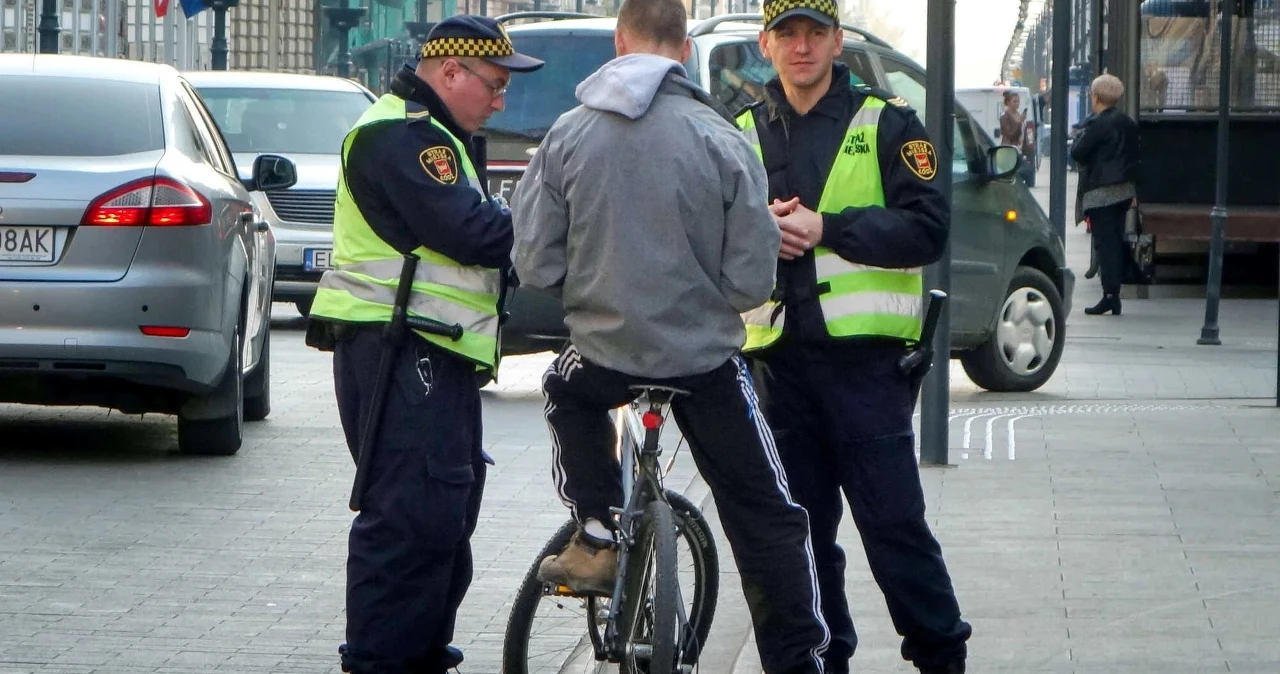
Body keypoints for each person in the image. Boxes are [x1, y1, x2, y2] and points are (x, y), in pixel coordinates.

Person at [509, 0, 832, 671]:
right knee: (768, 515)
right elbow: (750, 279)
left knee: (566, 391)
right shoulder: (720, 138)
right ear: (684, 51)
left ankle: (595, 529)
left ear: (619, 44)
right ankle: (798, 659)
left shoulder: (567, 135)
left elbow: (535, 262)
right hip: (701, 363)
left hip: (604, 355)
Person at [734, 0, 972, 672]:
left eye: (815, 34)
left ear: (838, 41)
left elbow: (928, 227)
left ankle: (940, 657)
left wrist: (827, 227)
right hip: (777, 370)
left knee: (895, 528)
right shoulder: (740, 132)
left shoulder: (889, 121)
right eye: (788, 35)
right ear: (767, 44)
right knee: (800, 541)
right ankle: (821, 660)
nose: (801, 47)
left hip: (867, 370)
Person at [304, 16, 543, 674]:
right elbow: (473, 232)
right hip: (403, 352)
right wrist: (550, 222)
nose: (501, 99)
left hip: (431, 353)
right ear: (449, 73)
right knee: (410, 521)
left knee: (442, 519)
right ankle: (383, 663)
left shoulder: (433, 133)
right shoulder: (405, 135)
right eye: (494, 85)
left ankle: (422, 656)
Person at [1070, 73, 1140, 316]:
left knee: (1105, 243)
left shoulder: (1098, 124)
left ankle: (1110, 295)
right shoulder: (1128, 123)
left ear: (1097, 97)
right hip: (1123, 191)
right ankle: (1113, 293)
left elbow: (1078, 152)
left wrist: (1079, 135)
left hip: (1102, 192)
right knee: (1115, 240)